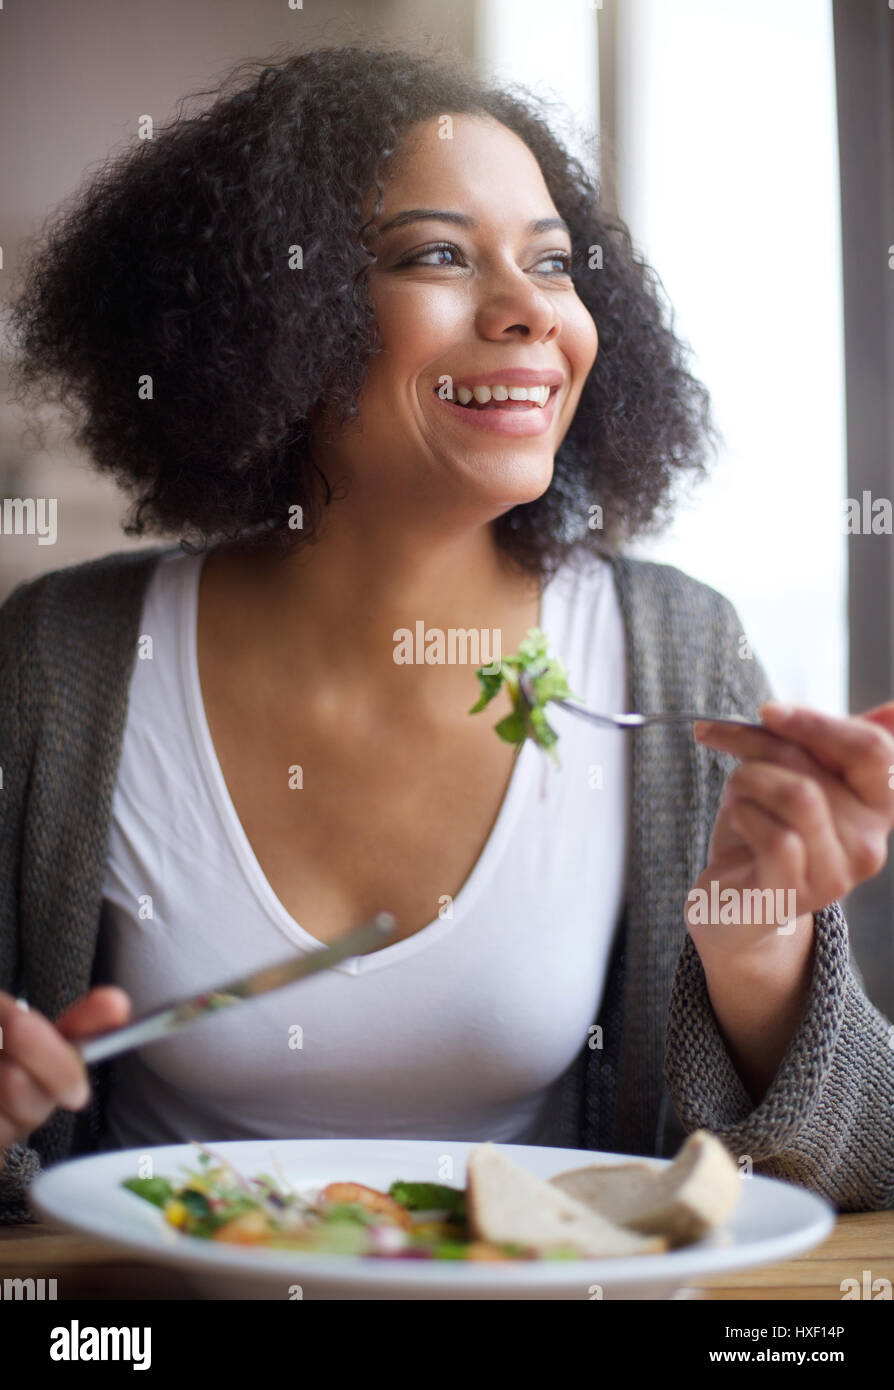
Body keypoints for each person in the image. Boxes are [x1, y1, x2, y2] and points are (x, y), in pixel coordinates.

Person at [2, 41, 893, 1225]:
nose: (532, 312)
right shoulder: (63, 663)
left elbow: (871, 1162)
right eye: (438, 255)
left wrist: (760, 951)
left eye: (554, 263)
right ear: (280, 317)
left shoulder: (678, 648)